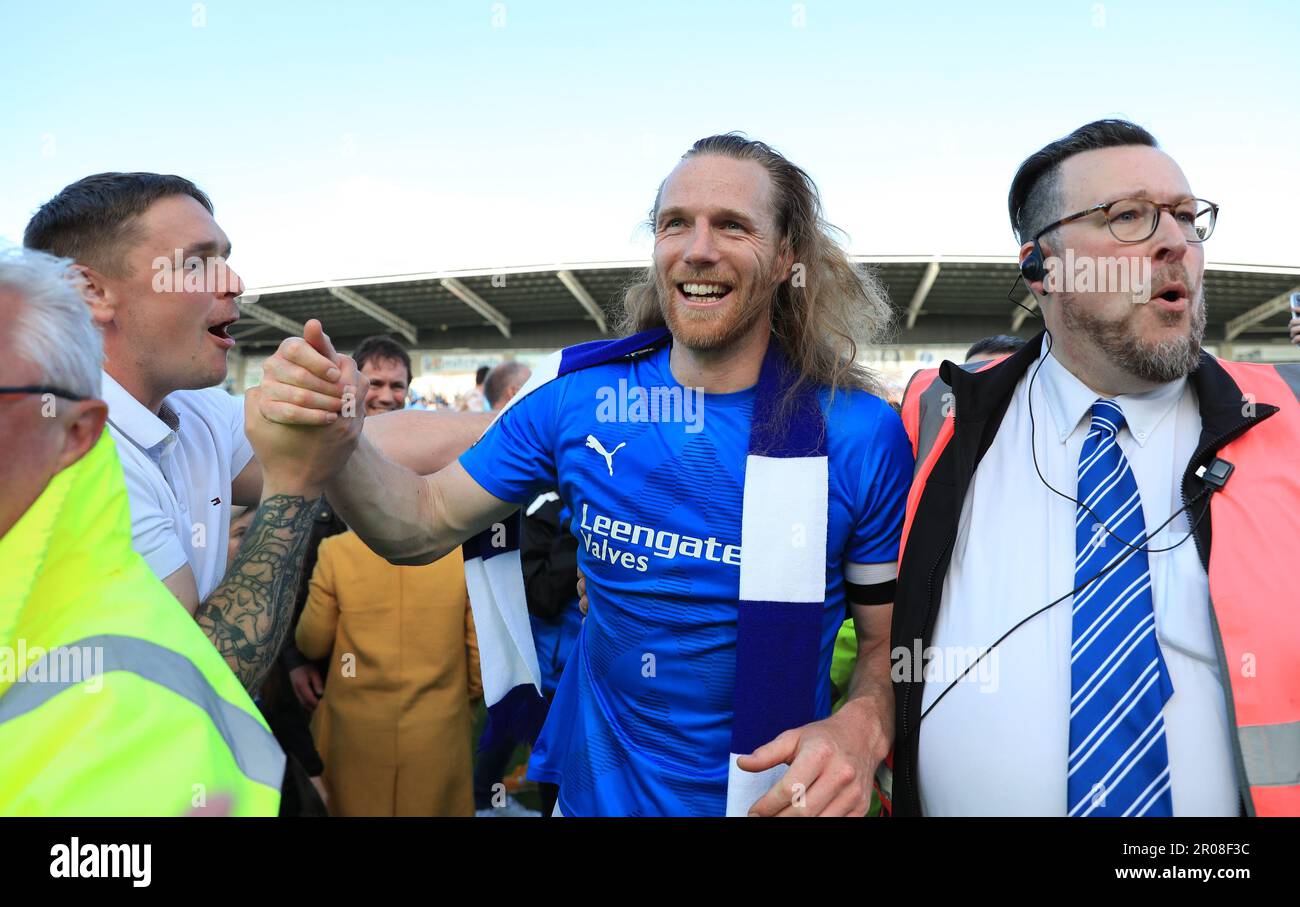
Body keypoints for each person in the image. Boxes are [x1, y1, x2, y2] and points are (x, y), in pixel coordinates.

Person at [250, 133, 913, 817]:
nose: (698, 248)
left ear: (785, 260)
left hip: (769, 802)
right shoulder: (577, 398)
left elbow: (885, 648)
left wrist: (862, 724)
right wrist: (335, 435)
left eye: (732, 225)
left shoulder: (860, 436)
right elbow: (418, 522)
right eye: (674, 222)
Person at [893, 120, 1300, 817]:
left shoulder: (1288, 415)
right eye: (1128, 217)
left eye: (1186, 215)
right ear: (1039, 267)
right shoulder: (934, 416)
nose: (1175, 240)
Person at [23, 174, 485, 691]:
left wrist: (548, 418)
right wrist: (294, 487)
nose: (234, 282)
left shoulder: (188, 410)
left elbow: (374, 441)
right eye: (196, 264)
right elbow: (192, 685)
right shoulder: (60, 460)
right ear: (92, 291)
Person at [0, 248, 282, 816]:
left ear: (75, 433)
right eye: (195, 264)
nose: (231, 283)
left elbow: (369, 453)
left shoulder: (131, 697)